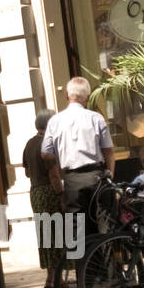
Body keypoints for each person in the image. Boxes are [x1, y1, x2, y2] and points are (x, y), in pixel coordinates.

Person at [41, 76, 115, 218]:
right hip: (96, 176)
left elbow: (45, 154)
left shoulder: (54, 121)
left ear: (67, 96)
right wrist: (110, 175)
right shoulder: (96, 118)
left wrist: (61, 156)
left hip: (72, 179)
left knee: (75, 227)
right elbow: (108, 152)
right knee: (102, 223)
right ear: (87, 98)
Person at [24, 109, 68, 288]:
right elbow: (54, 174)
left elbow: (27, 172)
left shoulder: (30, 143)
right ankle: (58, 281)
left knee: (46, 237)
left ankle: (50, 279)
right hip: (50, 192)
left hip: (35, 192)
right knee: (58, 236)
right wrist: (61, 195)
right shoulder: (47, 144)